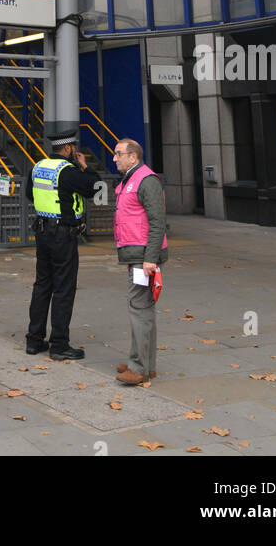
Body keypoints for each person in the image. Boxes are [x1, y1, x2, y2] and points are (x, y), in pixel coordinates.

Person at [25, 129, 102, 360]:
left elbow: (31, 194)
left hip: (42, 233)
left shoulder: (37, 167)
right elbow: (97, 189)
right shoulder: (68, 172)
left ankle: (34, 340)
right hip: (63, 236)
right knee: (63, 289)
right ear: (68, 149)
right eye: (73, 149)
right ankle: (59, 345)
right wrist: (86, 167)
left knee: (42, 285)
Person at [112, 137, 167, 386]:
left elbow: (157, 222)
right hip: (137, 255)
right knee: (143, 309)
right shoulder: (131, 180)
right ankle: (146, 363)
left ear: (133, 157)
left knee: (139, 310)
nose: (115, 158)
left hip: (144, 257)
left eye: (118, 154)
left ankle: (139, 367)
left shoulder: (146, 180)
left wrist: (149, 259)